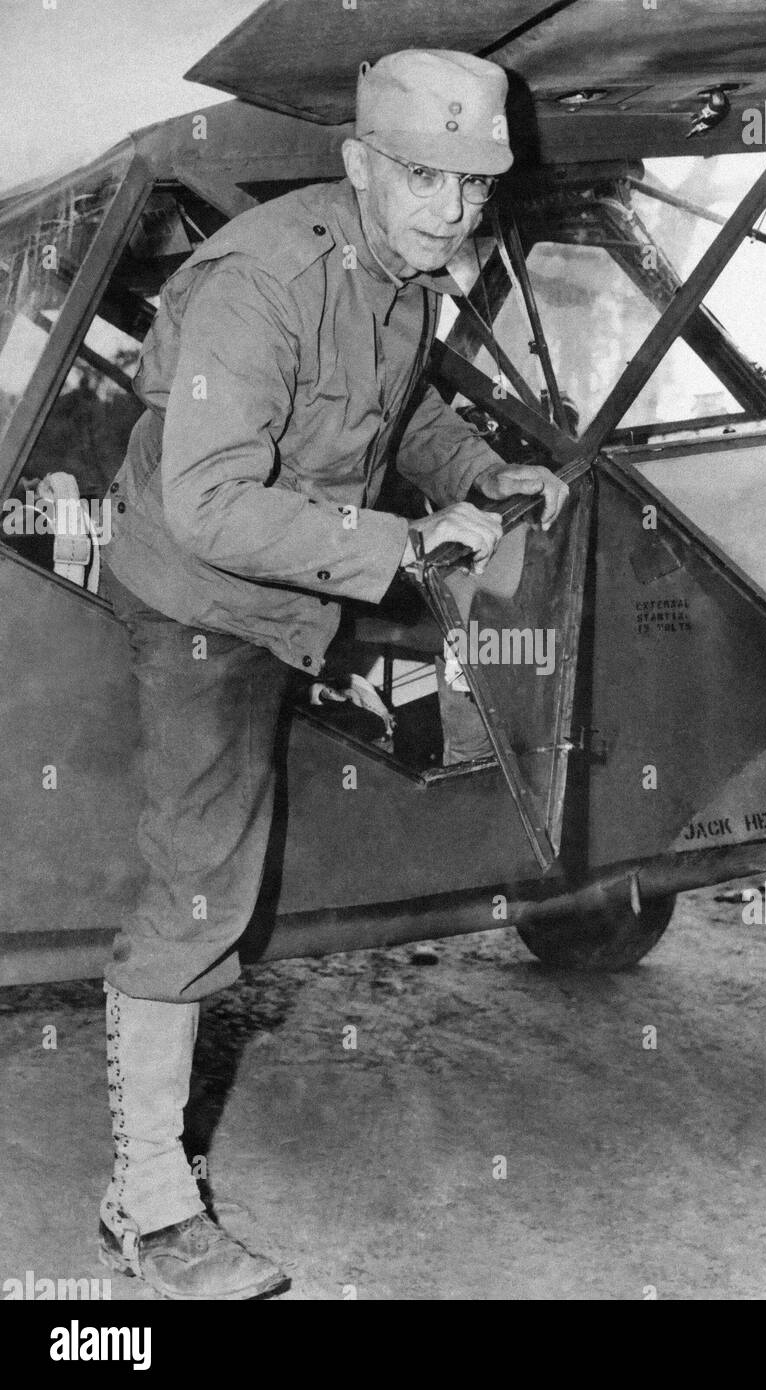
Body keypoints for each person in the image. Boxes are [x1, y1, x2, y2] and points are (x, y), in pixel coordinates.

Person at [97, 48, 568, 1300]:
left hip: (303, 579)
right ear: (360, 164)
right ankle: (145, 1208)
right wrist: (407, 541)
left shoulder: (401, 271)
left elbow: (391, 412)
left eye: (473, 186)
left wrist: (479, 476)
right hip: (201, 597)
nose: (454, 210)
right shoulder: (264, 278)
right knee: (202, 886)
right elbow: (204, 504)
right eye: (425, 178)